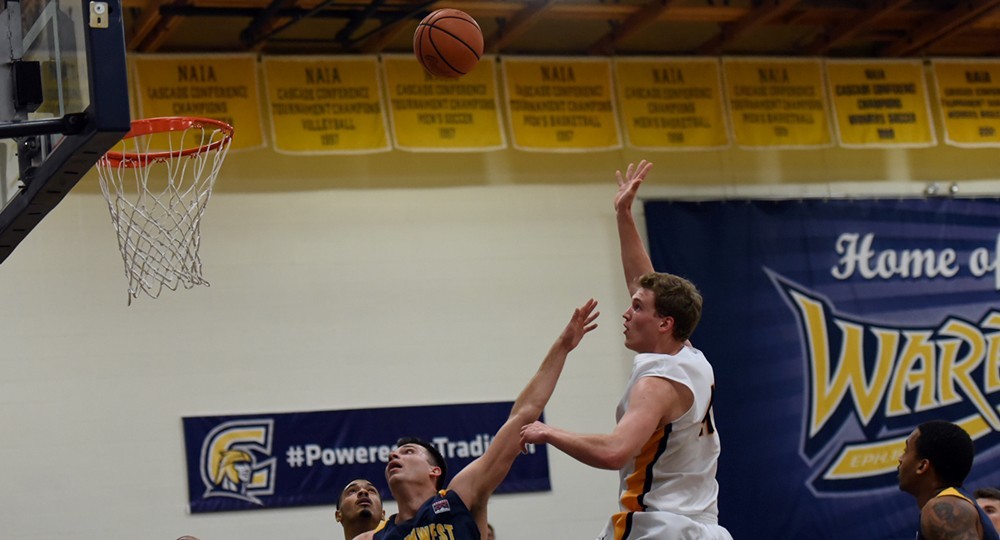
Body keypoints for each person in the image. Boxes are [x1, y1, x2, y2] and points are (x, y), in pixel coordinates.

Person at [519, 160, 731, 540]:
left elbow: (615, 451)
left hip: (657, 527)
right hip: (703, 527)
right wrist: (623, 214)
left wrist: (548, 432)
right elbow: (641, 279)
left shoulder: (656, 384)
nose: (626, 312)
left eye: (637, 308)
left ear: (664, 323)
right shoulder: (689, 356)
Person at [353, 299, 600, 540]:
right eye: (395, 454)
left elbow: (523, 415)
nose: (393, 456)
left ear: (434, 470)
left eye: (407, 451)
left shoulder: (458, 497)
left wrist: (563, 346)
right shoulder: (373, 538)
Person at [897, 420, 1000, 540]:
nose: (900, 459)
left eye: (906, 451)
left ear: (922, 466)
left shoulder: (942, 507)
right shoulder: (954, 501)